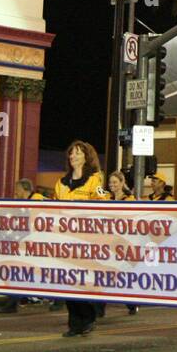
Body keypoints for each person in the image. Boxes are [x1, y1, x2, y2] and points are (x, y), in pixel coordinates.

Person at [48, 141, 108, 335]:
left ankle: (88, 319)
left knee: (81, 281)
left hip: (85, 239)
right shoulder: (61, 183)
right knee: (67, 282)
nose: (73, 156)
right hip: (65, 239)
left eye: (78, 153)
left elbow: (103, 200)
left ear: (86, 157)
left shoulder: (95, 180)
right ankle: (74, 323)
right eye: (71, 154)